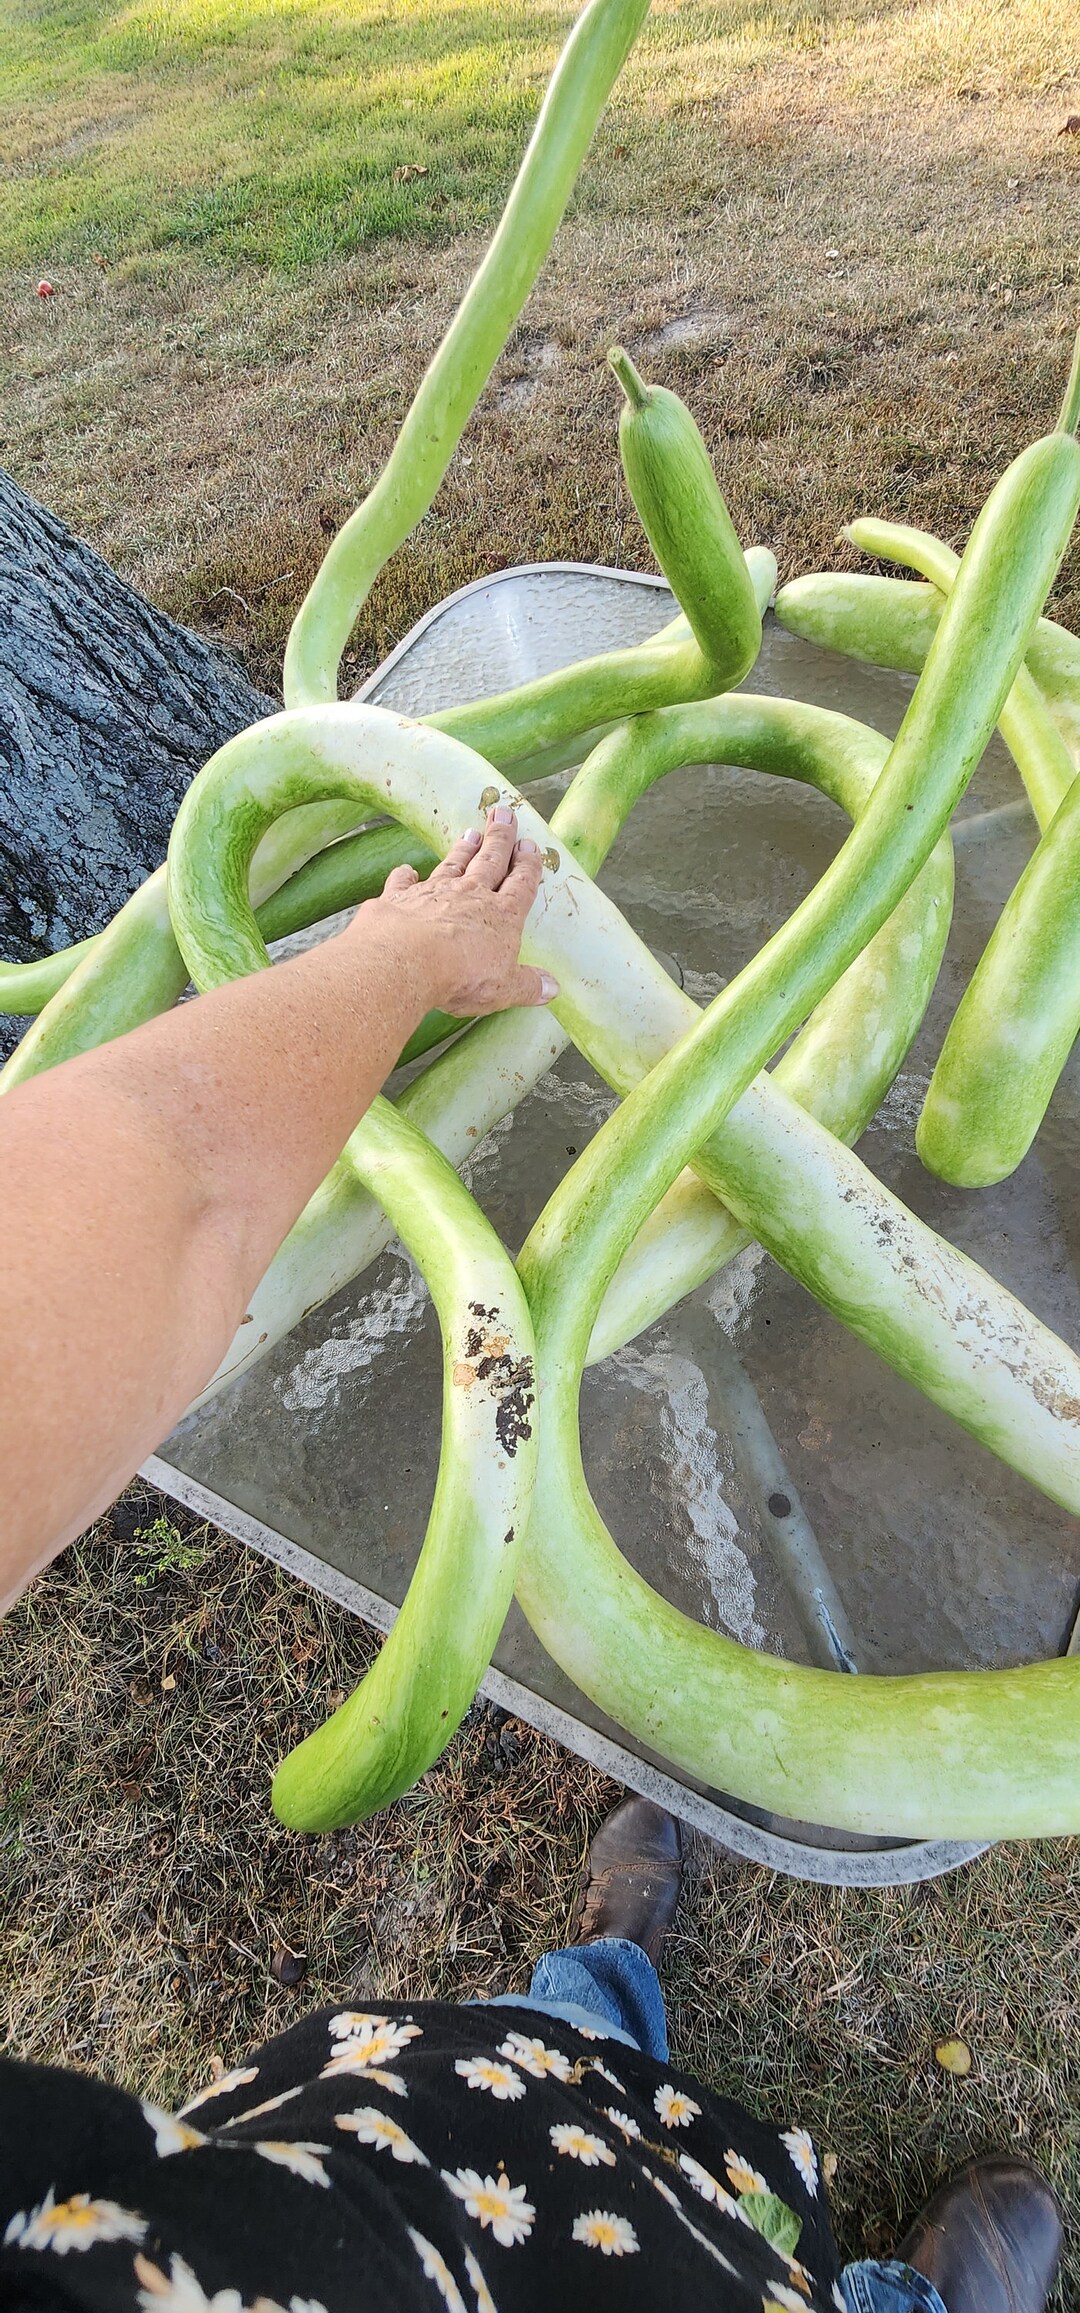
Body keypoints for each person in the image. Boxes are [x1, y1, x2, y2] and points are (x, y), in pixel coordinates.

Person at [0, 808, 1063, 2313]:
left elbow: (106, 1229)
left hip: (316, 2205)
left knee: (487, 2095)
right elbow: (147, 1186)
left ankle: (593, 2007)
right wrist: (392, 963)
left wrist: (391, 963)